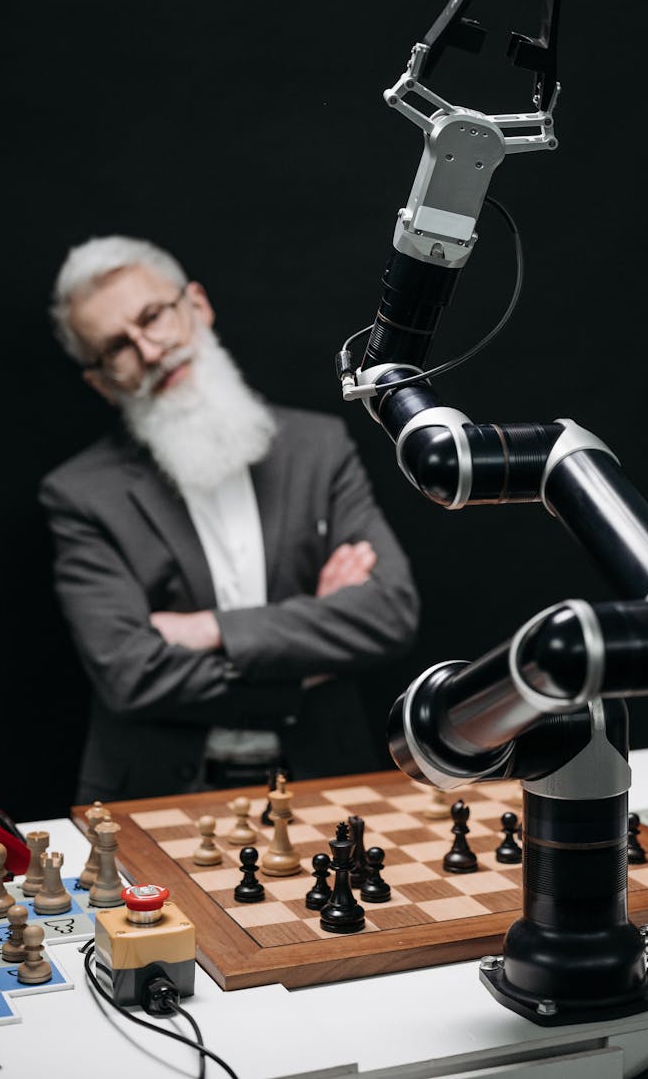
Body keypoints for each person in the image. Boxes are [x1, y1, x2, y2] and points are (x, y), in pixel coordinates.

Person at [40, 236, 419, 803]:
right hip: (158, 794)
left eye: (153, 317)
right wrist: (309, 659)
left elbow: (390, 614)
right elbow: (130, 674)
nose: (149, 351)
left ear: (197, 305)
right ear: (100, 381)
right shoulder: (79, 494)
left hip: (323, 778)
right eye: (117, 346)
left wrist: (207, 630)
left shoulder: (320, 447)